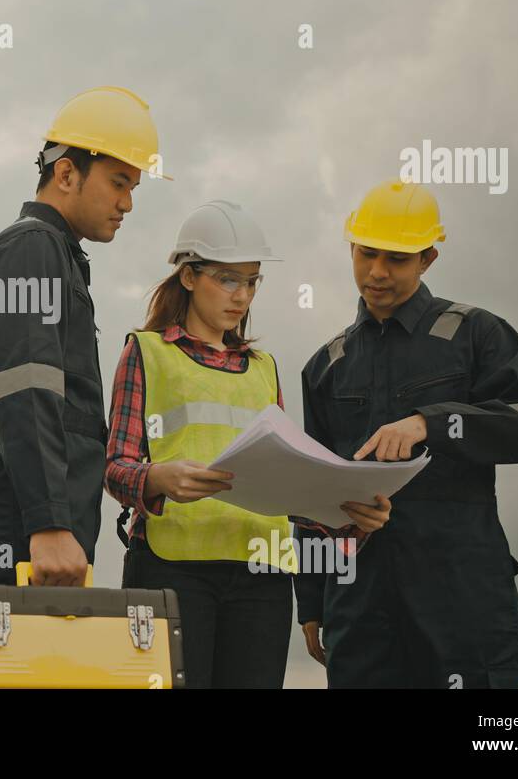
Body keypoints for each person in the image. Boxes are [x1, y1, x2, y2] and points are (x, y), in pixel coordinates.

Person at [105, 200, 390, 688]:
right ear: (189, 276)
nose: (242, 296)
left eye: (252, 281)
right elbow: (115, 467)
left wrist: (346, 514)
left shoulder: (264, 370)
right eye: (228, 279)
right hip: (175, 571)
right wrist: (158, 477)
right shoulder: (147, 352)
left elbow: (283, 484)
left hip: (261, 576)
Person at [295, 180, 518, 688]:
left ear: (428, 259)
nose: (377, 272)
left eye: (396, 258)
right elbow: (310, 491)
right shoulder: (325, 366)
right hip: (361, 606)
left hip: (461, 596)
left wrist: (430, 423)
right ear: (351, 247)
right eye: (367, 253)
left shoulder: (476, 334)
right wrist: (310, 598)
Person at [0, 86, 171, 586]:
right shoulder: (31, 249)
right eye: (118, 183)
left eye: (133, 187)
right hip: (20, 527)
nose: (127, 203)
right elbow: (26, 391)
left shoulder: (57, 255)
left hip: (39, 523)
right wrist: (47, 524)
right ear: (66, 173)